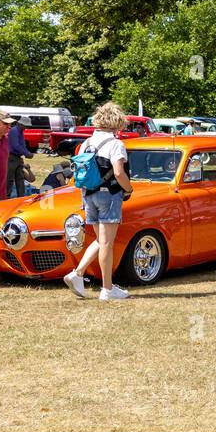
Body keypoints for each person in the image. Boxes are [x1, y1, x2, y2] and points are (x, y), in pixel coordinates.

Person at [62, 102, 134, 301]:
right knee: (107, 244)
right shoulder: (115, 144)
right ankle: (108, 289)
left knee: (100, 240)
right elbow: (118, 172)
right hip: (108, 195)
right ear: (116, 122)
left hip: (88, 194)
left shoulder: (87, 143)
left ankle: (77, 274)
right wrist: (129, 189)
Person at [6, 117, 35, 198]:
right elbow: (16, 145)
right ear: (20, 124)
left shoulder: (20, 131)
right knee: (10, 179)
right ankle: (6, 197)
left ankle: (21, 197)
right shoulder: (14, 131)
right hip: (12, 157)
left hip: (17, 157)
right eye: (25, 126)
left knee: (20, 178)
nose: (27, 128)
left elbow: (22, 145)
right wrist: (27, 153)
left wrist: (26, 153)